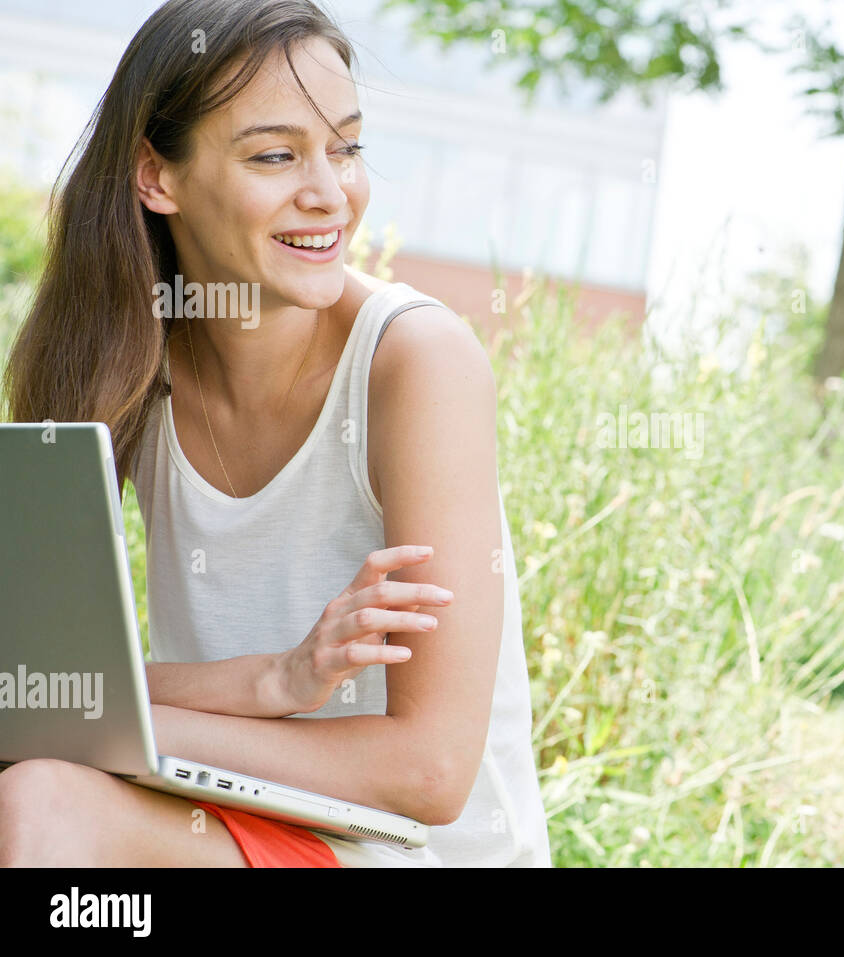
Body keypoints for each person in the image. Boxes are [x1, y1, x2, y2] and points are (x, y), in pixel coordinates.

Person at [0, 0, 550, 867]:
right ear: (157, 176)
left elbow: (430, 770)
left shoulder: (415, 360)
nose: (329, 193)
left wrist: (96, 728)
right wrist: (269, 683)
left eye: (346, 147)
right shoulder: (122, 362)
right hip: (207, 814)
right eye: (275, 155)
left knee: (43, 795)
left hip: (403, 851)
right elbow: (29, 688)